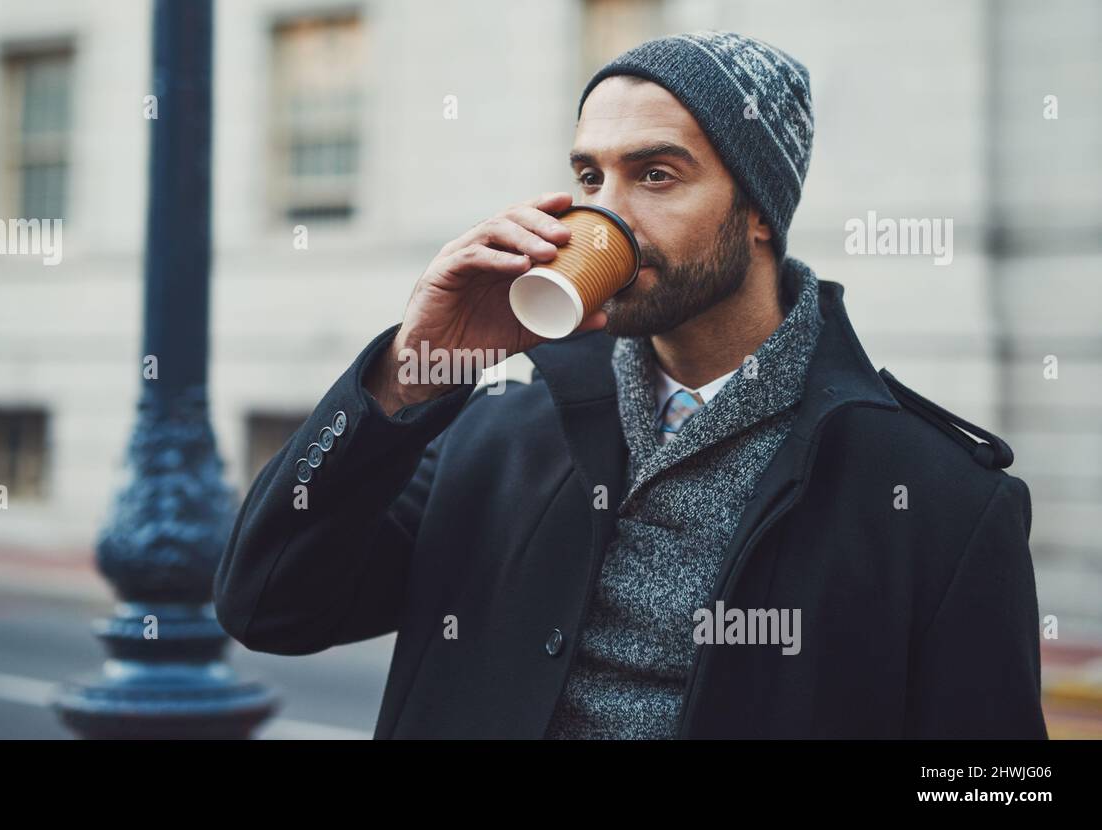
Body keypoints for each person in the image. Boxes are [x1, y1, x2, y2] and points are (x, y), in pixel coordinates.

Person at [213, 31, 1047, 739]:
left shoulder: (939, 497)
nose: (604, 217)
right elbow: (269, 608)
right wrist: (409, 375)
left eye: (655, 176)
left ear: (759, 211)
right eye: (589, 178)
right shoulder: (501, 420)